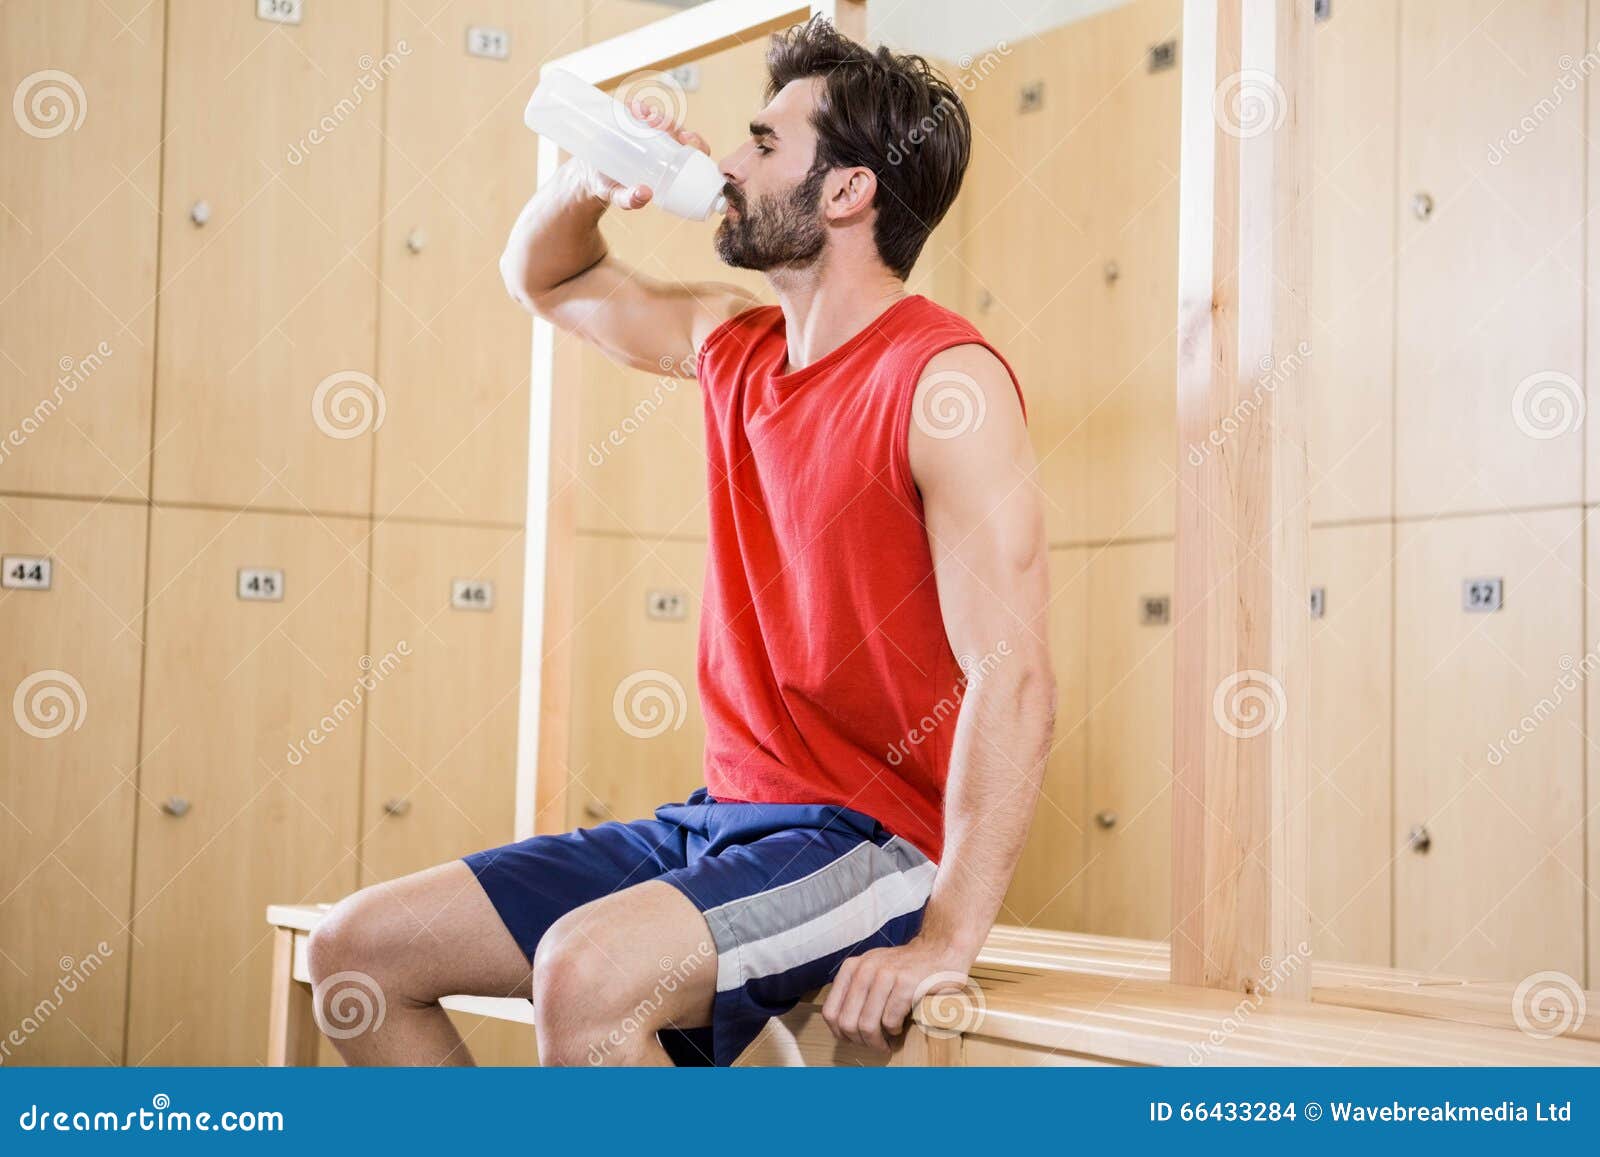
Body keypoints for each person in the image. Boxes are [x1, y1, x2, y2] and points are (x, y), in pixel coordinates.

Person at [308, 15, 1054, 1067]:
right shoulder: (732, 344)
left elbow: (1012, 675)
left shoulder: (945, 384)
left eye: (761, 142)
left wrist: (947, 934)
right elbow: (548, 280)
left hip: (870, 839)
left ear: (845, 192)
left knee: (587, 970)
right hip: (720, 821)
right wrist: (600, 176)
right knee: (357, 952)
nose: (728, 161)